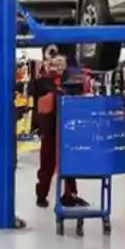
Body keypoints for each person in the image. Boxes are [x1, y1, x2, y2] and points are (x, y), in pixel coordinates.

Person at [33, 53, 88, 208]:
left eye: (60, 66)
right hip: (50, 128)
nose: (58, 69)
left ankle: (69, 194)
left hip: (64, 129)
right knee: (47, 163)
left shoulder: (65, 83)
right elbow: (42, 104)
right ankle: (42, 195)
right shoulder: (43, 83)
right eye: (56, 66)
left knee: (67, 162)